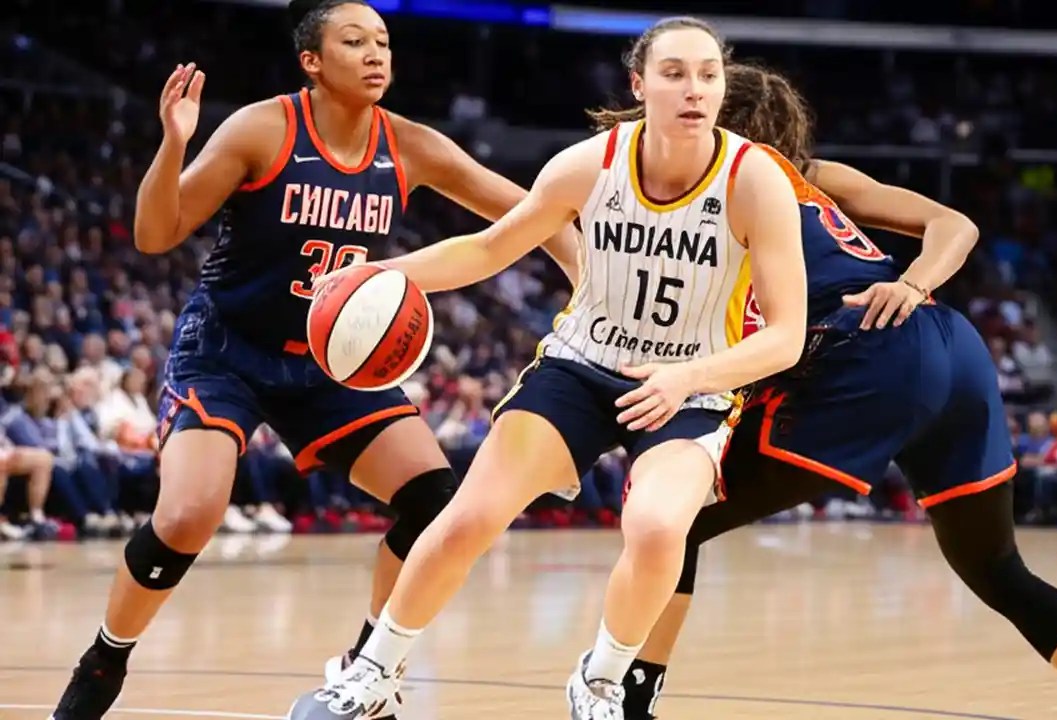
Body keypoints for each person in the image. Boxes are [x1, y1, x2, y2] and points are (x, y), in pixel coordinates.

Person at [49, 2, 579, 718]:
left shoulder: (411, 145)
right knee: (189, 515)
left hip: (332, 361)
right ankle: (104, 660)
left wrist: (588, 273)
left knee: (434, 500)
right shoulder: (262, 129)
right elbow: (155, 232)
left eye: (383, 41)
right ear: (312, 61)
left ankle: (365, 669)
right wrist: (173, 143)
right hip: (230, 349)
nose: (375, 54)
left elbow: (528, 211)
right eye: (354, 41)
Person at [289, 17, 808, 720]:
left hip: (690, 385)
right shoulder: (588, 165)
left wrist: (687, 379)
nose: (695, 90)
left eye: (709, 75)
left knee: (659, 529)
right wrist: (380, 272)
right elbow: (486, 250)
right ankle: (372, 672)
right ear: (639, 84)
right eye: (675, 73)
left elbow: (786, 337)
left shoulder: (757, 183)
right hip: (580, 368)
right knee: (470, 515)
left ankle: (600, 679)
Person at [617, 63, 1057, 720]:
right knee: (998, 568)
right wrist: (913, 284)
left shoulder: (705, 193)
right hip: (949, 345)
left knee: (672, 521)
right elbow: (955, 225)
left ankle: (631, 701)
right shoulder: (819, 179)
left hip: (865, 352)